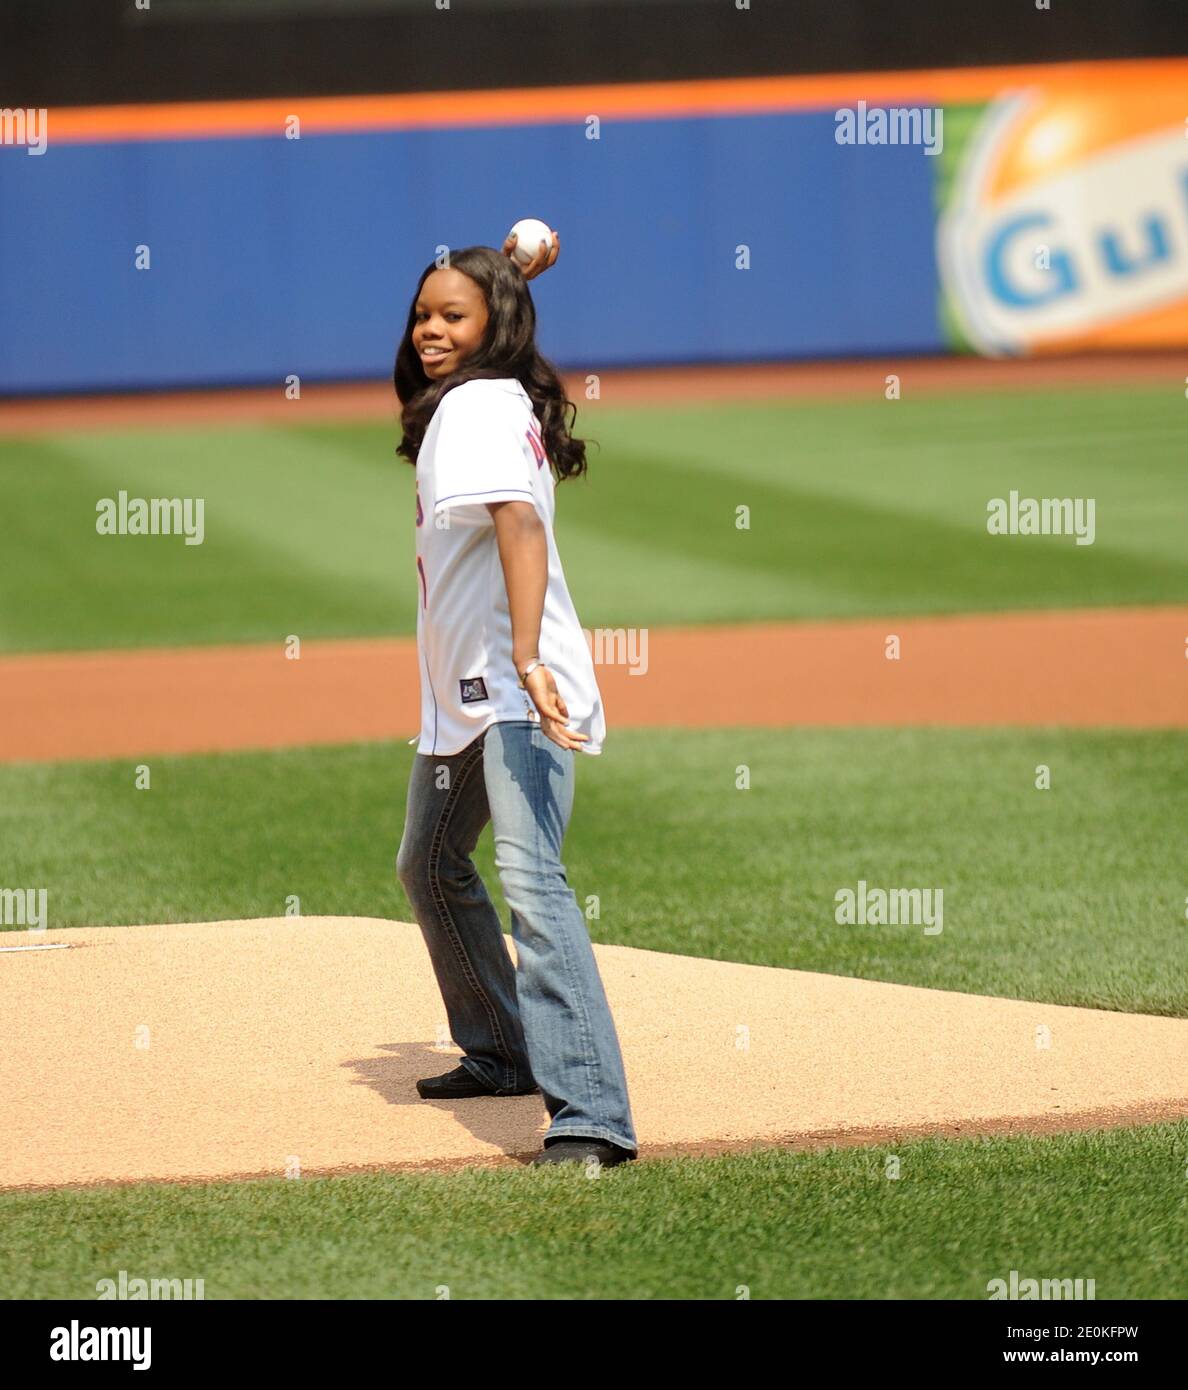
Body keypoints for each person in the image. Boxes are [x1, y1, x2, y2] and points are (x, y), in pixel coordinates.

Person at [392, 231, 638, 1169]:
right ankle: (501, 1048)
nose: (428, 329)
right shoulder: (482, 394)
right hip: (470, 694)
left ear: (493, 327)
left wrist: (531, 662)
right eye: (423, 314)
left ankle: (592, 1117)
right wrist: (496, 279)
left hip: (513, 690)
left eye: (452, 315)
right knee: (430, 862)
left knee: (534, 885)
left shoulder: (485, 405)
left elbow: (520, 523)